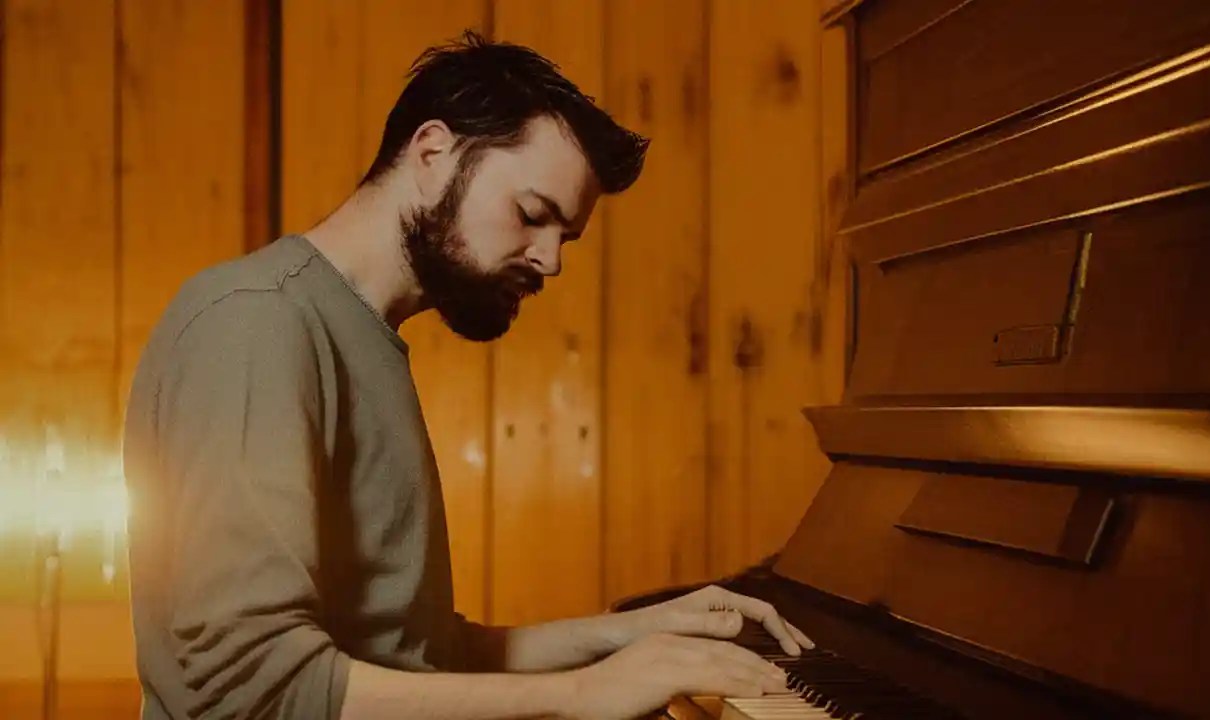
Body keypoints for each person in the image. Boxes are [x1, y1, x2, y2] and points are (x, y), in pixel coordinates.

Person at [123, 30, 812, 720]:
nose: (551, 261)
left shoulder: (358, 333)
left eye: (564, 237)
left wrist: (631, 633)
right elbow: (254, 689)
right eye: (532, 215)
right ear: (432, 153)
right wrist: (579, 694)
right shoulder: (257, 323)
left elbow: (416, 655)